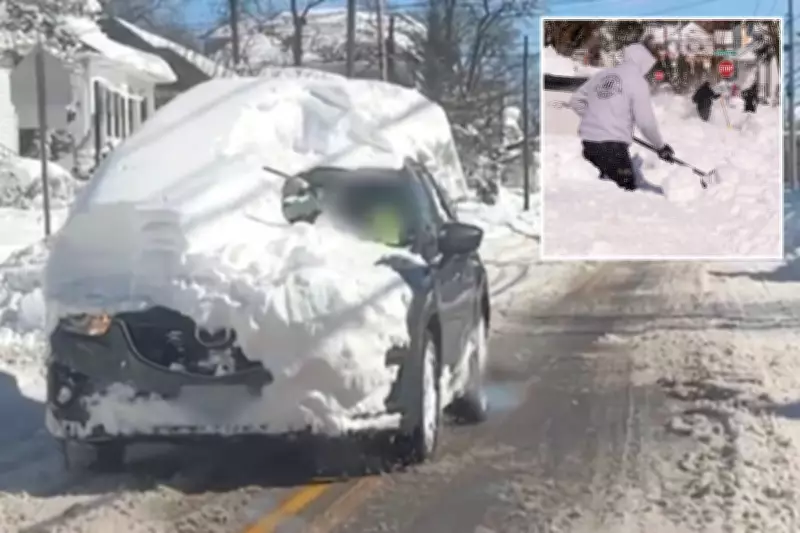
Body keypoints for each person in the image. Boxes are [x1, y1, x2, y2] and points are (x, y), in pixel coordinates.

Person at [569, 42, 675, 192]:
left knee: (598, 192)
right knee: (625, 194)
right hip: (612, 148)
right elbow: (646, 123)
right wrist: (660, 146)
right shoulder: (637, 81)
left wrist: (594, 118)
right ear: (643, 62)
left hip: (588, 144)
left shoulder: (602, 75)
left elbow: (575, 100)